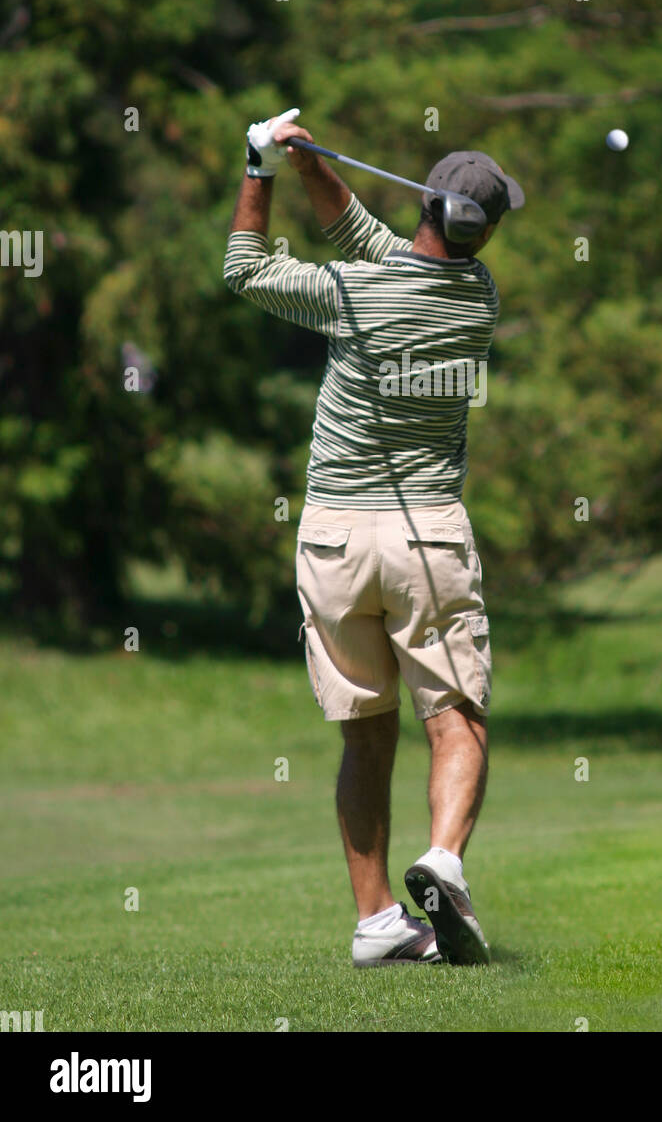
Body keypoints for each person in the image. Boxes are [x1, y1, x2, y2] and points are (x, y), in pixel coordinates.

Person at [223, 107, 524, 966]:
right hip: (426, 538)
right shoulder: (478, 298)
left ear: (424, 208)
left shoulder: (354, 293)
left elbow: (245, 267)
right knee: (455, 713)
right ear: (484, 231)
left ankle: (376, 921)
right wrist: (312, 162)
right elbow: (358, 232)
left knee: (366, 731)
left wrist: (260, 164)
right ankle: (443, 860)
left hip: (332, 542)